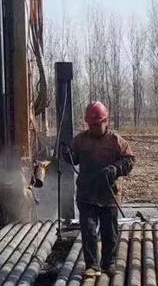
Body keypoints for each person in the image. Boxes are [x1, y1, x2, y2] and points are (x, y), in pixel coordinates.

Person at [63, 101, 135, 278]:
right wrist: (67, 155)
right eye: (91, 125)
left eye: (97, 124)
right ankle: (92, 265)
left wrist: (116, 169)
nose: (94, 128)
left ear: (106, 121)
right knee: (88, 230)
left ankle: (109, 263)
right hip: (87, 193)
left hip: (108, 194)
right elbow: (74, 157)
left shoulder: (115, 141)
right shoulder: (80, 140)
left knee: (109, 231)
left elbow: (129, 160)